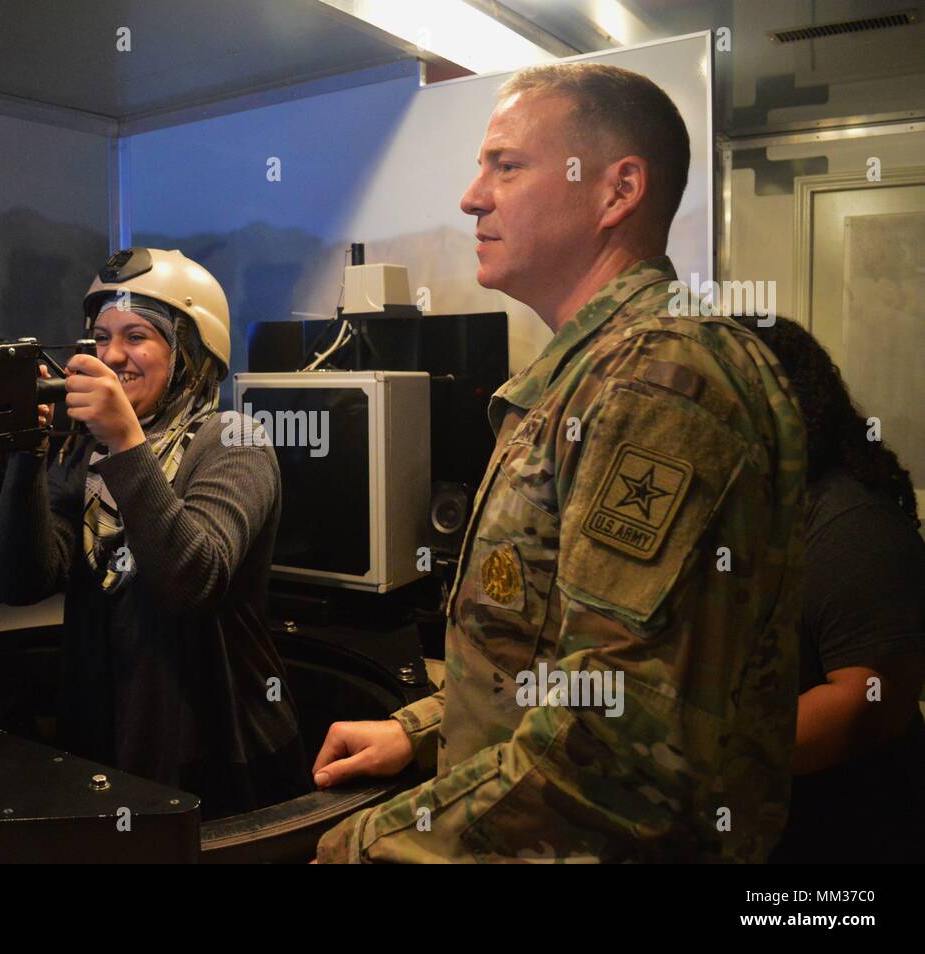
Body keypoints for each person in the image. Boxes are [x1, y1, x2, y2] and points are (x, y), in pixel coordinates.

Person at [311, 63, 806, 862]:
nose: (473, 197)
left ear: (618, 192)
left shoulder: (659, 383)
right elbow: (552, 659)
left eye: (506, 166)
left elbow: (613, 742)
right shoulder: (595, 374)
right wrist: (424, 729)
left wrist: (363, 847)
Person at [0, 247, 308, 820]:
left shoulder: (234, 440)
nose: (112, 356)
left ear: (190, 352)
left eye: (137, 336)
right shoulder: (83, 450)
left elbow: (193, 581)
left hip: (218, 751)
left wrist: (125, 443)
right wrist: (26, 454)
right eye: (101, 337)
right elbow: (20, 578)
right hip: (108, 747)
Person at [741, 317, 924, 863]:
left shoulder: (849, 523)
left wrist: (710, 760)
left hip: (847, 839)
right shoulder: (749, 506)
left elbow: (871, 701)